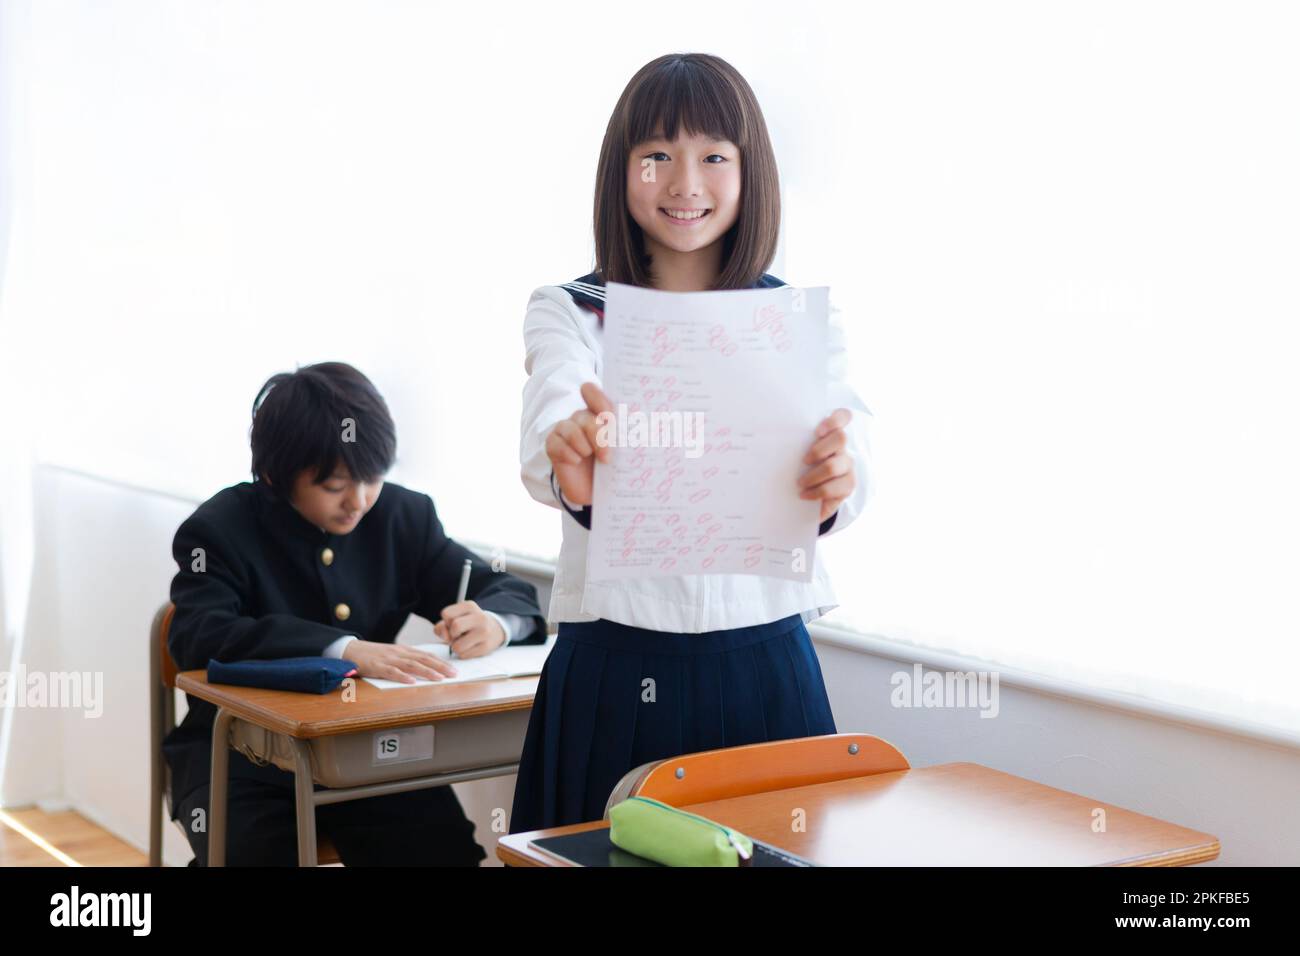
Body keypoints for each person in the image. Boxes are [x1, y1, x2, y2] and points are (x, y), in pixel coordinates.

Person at [510, 53, 874, 833]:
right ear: (621, 170)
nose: (685, 183)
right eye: (657, 157)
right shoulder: (570, 311)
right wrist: (571, 460)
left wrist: (841, 475)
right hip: (615, 666)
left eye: (714, 155)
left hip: (768, 665)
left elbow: (852, 448)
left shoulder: (799, 321)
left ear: (752, 172)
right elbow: (554, 418)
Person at [164, 361, 546, 865]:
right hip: (240, 760)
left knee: (446, 856)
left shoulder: (402, 517)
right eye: (334, 486)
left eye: (374, 477)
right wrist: (344, 651)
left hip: (370, 756)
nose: (360, 501)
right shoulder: (220, 528)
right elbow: (199, 634)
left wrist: (494, 624)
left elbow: (504, 589)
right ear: (278, 475)